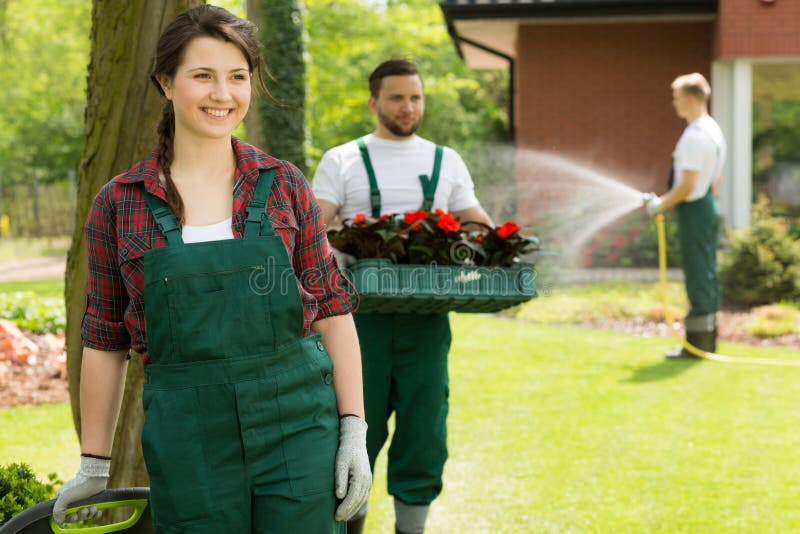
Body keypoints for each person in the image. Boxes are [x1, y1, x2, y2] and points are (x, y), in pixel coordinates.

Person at [53, 6, 371, 532]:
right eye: (203, 75)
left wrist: (353, 429)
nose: (222, 94)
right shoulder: (120, 203)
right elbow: (105, 337)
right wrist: (94, 463)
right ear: (166, 82)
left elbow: (333, 313)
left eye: (237, 77)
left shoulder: (285, 185)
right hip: (188, 437)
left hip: (297, 426)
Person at [312, 59, 494, 534]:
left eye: (415, 97)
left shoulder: (445, 160)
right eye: (396, 97)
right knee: (352, 430)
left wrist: (488, 244)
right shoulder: (343, 158)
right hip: (356, 323)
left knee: (425, 432)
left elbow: (477, 221)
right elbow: (311, 229)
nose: (408, 106)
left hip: (426, 322)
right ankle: (350, 524)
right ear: (374, 102)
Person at [645, 72, 726, 358]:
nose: (674, 103)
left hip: (694, 208)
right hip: (707, 205)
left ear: (691, 98)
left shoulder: (695, 135)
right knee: (706, 270)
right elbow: (715, 180)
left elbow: (688, 184)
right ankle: (706, 341)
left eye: (677, 97)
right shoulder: (713, 130)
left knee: (697, 274)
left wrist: (660, 204)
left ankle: (697, 346)